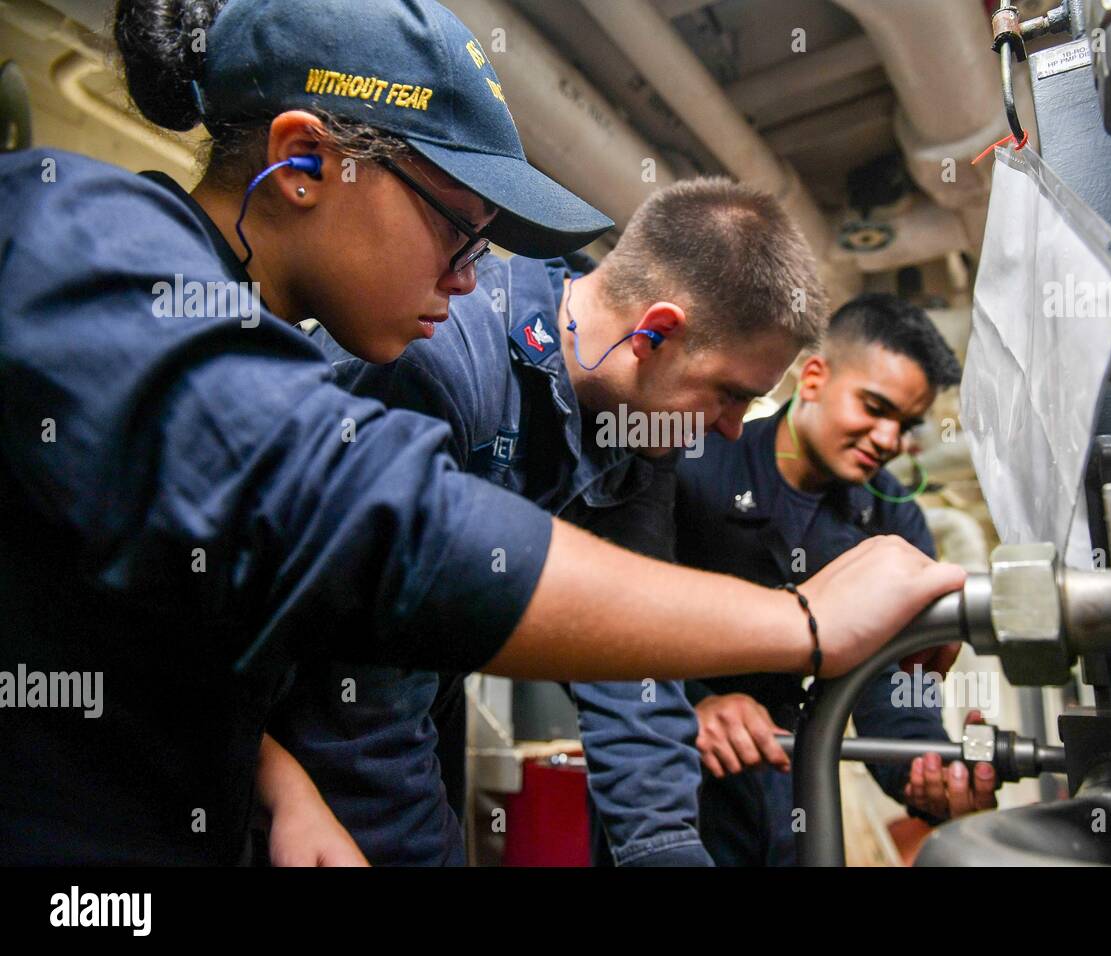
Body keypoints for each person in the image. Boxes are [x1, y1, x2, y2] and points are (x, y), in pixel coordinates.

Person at [0, 0, 964, 865]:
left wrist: (274, 782)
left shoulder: (267, 350)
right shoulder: (77, 227)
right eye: (458, 228)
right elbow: (378, 532)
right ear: (304, 163)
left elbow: (173, 617)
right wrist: (800, 626)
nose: (468, 276)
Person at [271, 177, 826, 867]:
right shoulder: (439, 363)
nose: (733, 430)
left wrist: (666, 851)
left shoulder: (644, 426)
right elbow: (358, 713)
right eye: (730, 395)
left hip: (412, 714)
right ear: (655, 331)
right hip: (267, 742)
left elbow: (631, 658)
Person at [675, 293, 997, 866]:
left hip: (796, 794)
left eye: (905, 424)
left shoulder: (894, 523)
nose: (889, 439)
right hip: (673, 789)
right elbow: (601, 628)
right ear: (816, 377)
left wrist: (928, 772)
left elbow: (896, 690)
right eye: (875, 407)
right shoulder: (693, 469)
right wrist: (686, 706)